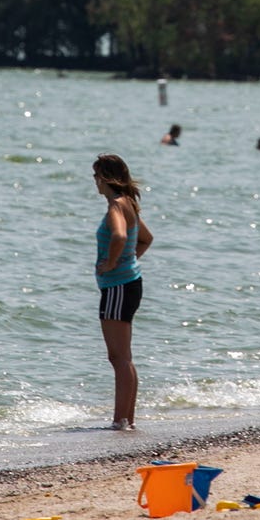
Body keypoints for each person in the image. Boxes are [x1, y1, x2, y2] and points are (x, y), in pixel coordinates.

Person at [92, 153, 153, 431]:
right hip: (129, 283)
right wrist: (130, 260)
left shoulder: (116, 206)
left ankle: (120, 421)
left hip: (118, 286)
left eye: (95, 176)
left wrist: (113, 262)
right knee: (123, 356)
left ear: (104, 178)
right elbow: (146, 238)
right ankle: (127, 419)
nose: (94, 182)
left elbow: (119, 236)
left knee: (118, 357)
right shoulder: (129, 203)